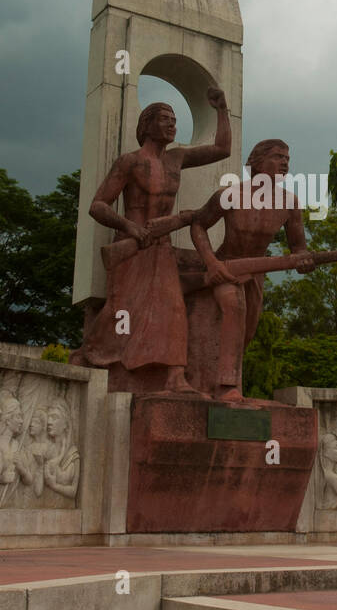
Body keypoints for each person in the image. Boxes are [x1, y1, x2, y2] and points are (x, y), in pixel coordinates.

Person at [71, 89, 231, 394]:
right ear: (147, 124)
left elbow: (222, 149)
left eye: (175, 120)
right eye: (165, 119)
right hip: (132, 248)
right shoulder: (129, 162)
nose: (172, 125)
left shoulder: (177, 158)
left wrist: (221, 110)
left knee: (173, 308)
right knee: (122, 311)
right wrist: (130, 227)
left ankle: (175, 376)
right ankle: (89, 353)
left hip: (162, 248)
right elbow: (98, 205)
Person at [188, 139, 314, 400]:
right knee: (235, 308)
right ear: (256, 162)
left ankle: (220, 377)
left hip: (256, 272)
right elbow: (198, 225)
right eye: (278, 157)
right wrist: (212, 263)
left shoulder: (290, 203)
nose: (284, 163)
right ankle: (227, 387)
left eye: (287, 159)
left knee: (248, 329)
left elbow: (298, 248)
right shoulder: (232, 194)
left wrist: (304, 261)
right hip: (226, 265)